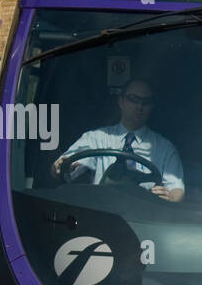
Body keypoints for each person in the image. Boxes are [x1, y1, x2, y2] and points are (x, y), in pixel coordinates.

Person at [52, 79, 185, 202]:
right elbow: (63, 167)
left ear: (152, 107)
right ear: (121, 101)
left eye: (146, 102)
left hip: (145, 217)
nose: (139, 106)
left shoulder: (165, 148)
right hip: (101, 210)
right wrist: (61, 166)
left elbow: (177, 188)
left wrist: (171, 197)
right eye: (134, 99)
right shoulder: (96, 138)